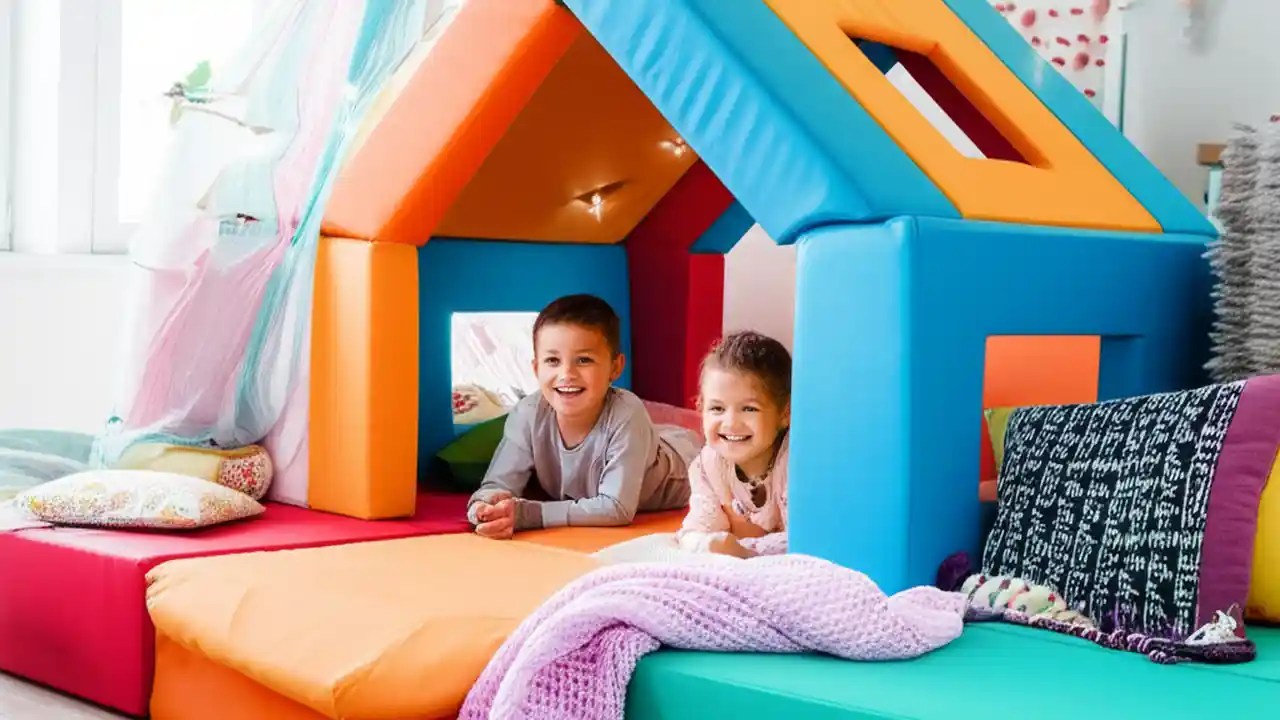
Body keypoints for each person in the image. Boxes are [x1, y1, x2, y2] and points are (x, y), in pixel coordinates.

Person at [467, 294, 699, 538]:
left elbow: (616, 508)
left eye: (584, 360)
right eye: (553, 360)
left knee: (713, 447)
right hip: (639, 438)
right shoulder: (528, 413)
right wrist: (483, 508)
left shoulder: (627, 413)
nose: (567, 373)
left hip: (683, 464)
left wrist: (528, 514)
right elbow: (497, 485)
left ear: (615, 367)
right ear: (536, 369)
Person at [676, 330, 791, 558]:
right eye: (717, 408)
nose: (730, 423)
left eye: (749, 409)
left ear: (785, 413)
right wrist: (702, 542)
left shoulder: (793, 463)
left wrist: (744, 550)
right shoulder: (708, 465)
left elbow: (805, 540)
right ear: (700, 408)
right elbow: (700, 526)